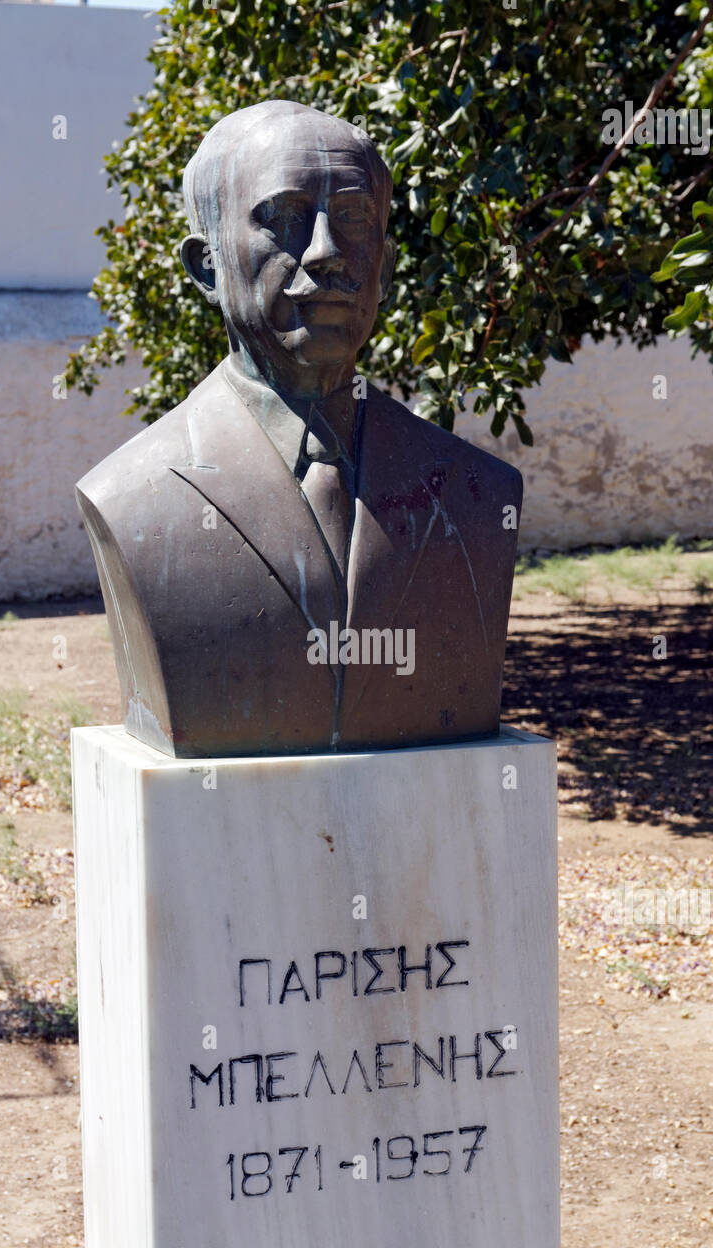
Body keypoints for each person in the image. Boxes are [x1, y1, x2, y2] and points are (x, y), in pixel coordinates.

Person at [76, 100, 522, 757]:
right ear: (206, 266)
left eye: (352, 219)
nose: (325, 253)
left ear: (386, 264)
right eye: (283, 219)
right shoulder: (132, 496)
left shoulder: (477, 491)